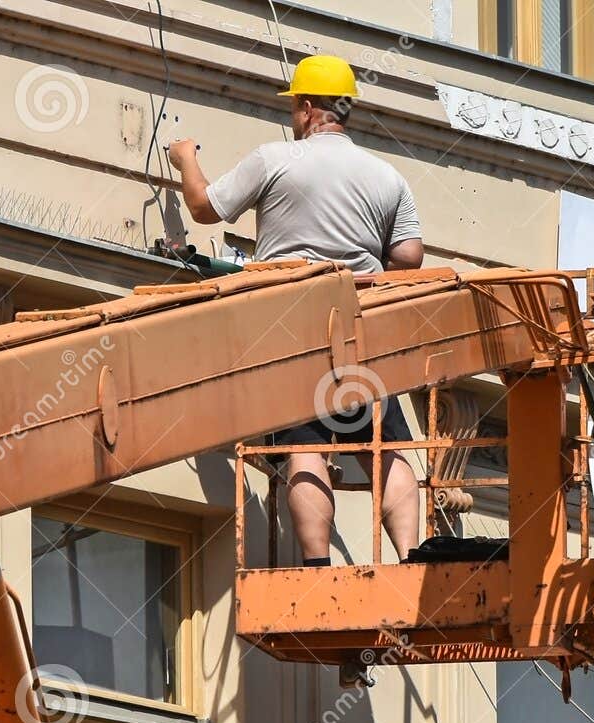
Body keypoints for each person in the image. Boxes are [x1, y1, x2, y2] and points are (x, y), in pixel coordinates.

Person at [166, 54, 424, 567]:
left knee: (305, 446)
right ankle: (412, 556)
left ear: (307, 109)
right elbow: (410, 258)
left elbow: (204, 208)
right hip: (361, 325)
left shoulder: (275, 159)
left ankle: (315, 563)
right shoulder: (387, 176)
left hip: (293, 327)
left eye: (294, 108)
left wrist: (185, 159)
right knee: (385, 447)